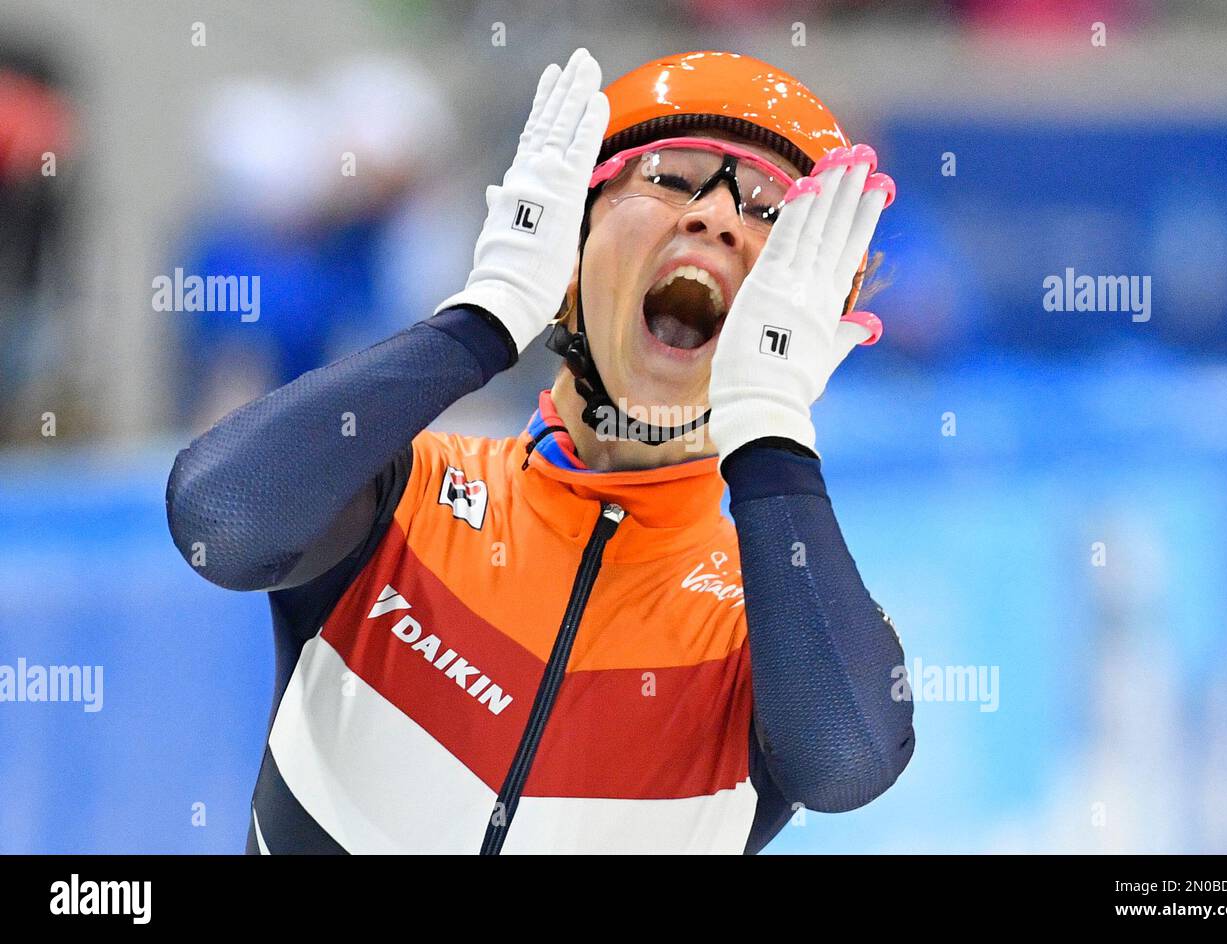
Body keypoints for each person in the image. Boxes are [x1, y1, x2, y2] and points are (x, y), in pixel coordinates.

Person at [166, 48, 914, 855]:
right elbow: (221, 520)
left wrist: (770, 424)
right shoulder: (407, 495)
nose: (718, 218)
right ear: (570, 240)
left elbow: (847, 764)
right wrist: (484, 317)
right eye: (668, 178)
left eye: (770, 210)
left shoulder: (770, 616)